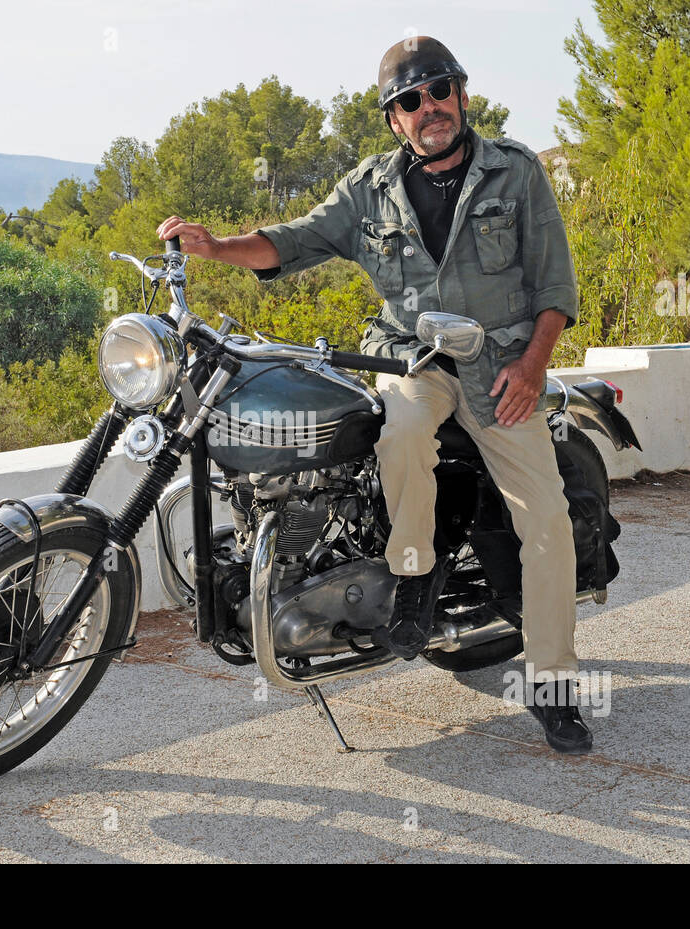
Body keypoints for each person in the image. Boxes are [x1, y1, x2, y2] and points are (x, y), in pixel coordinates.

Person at [156, 37, 591, 754]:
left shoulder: (515, 173)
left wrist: (535, 366)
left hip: (501, 365)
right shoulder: (370, 189)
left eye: (439, 91)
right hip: (412, 357)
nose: (429, 109)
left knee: (544, 518)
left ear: (462, 95)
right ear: (395, 119)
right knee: (398, 432)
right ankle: (412, 575)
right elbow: (293, 241)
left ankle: (552, 685)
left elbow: (555, 287)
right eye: (410, 101)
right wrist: (215, 247)